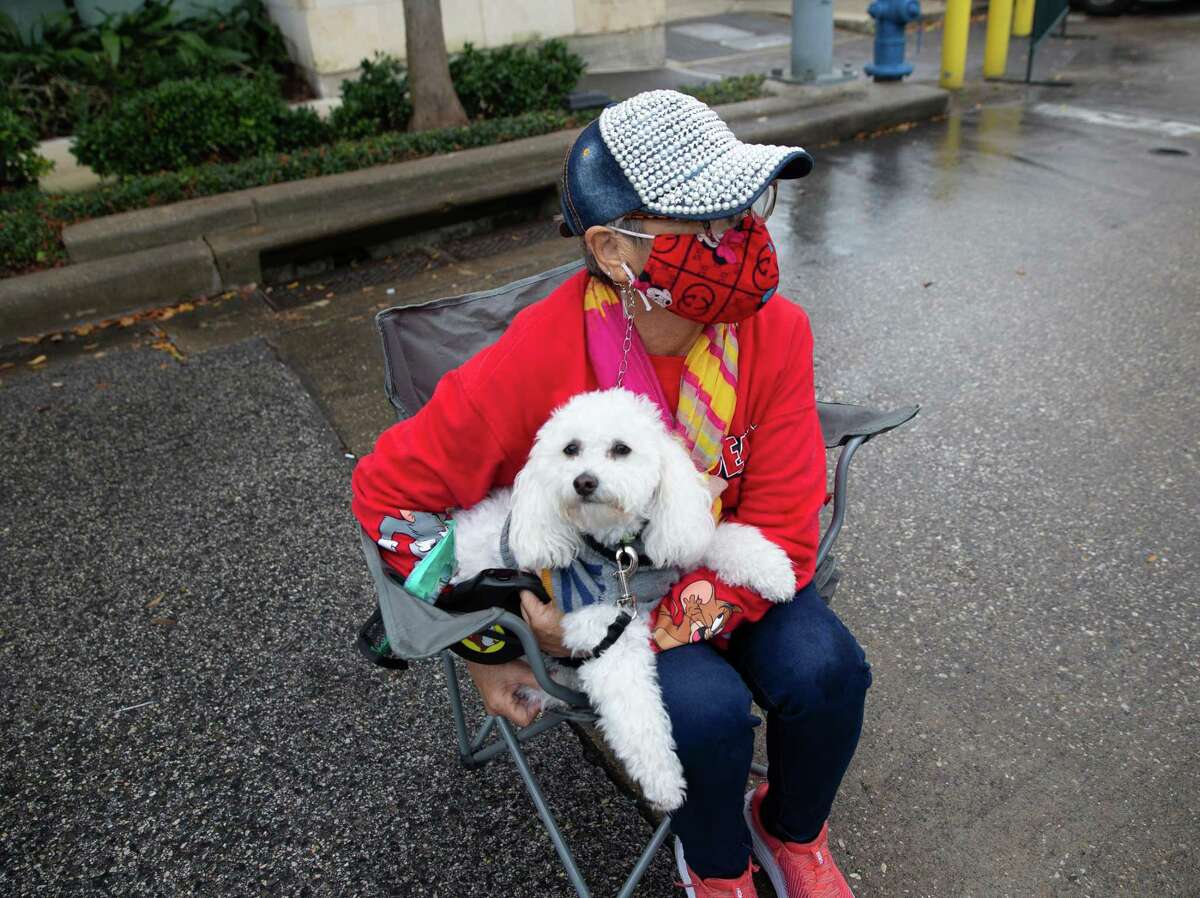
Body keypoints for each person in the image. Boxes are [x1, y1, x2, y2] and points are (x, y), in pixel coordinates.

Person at [352, 90, 872, 898]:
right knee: (704, 716)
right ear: (611, 248)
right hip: (605, 592)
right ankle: (716, 867)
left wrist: (680, 612)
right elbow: (387, 494)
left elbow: (787, 536)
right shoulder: (540, 350)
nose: (735, 240)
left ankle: (789, 830)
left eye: (742, 211)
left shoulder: (779, 332)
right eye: (698, 224)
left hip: (723, 564)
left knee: (830, 670)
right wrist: (487, 639)